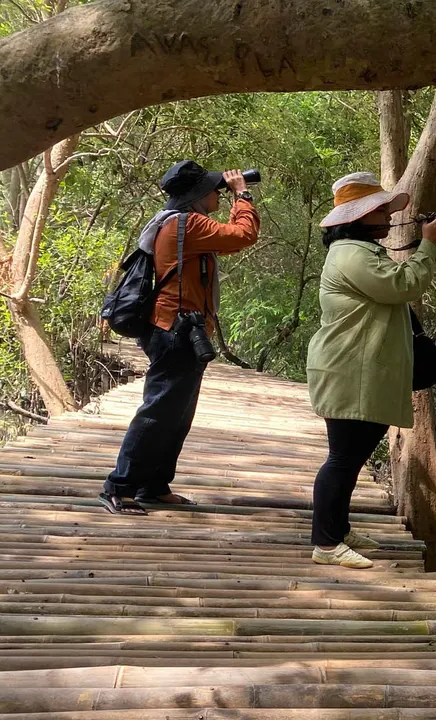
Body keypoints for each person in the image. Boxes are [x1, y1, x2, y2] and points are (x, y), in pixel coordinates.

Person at [99, 161, 260, 516]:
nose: (218, 193)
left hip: (178, 329)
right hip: (176, 329)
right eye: (213, 189)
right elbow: (243, 235)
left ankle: (153, 485)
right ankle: (119, 485)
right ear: (197, 196)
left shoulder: (174, 221)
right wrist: (242, 195)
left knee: (176, 414)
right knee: (158, 412)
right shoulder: (188, 223)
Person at [306, 171, 436, 568]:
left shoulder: (359, 251)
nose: (387, 214)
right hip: (349, 370)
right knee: (342, 458)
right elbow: (402, 285)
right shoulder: (351, 253)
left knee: (350, 457)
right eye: (380, 208)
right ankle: (327, 544)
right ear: (359, 215)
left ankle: (337, 528)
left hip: (357, 370)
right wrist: (429, 246)